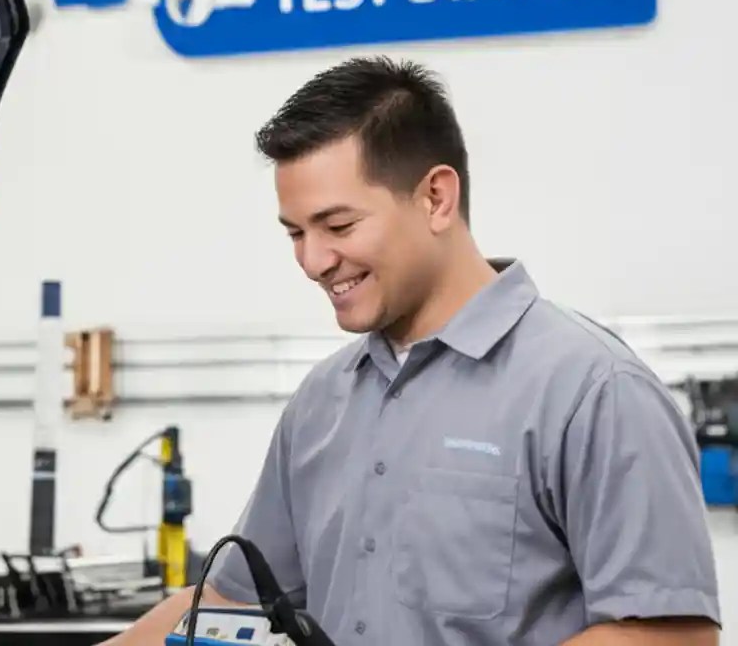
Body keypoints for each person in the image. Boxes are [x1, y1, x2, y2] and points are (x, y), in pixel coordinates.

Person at [99, 57, 722, 645]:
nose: (313, 261)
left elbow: (669, 635)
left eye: (338, 226)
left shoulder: (593, 390)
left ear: (436, 198)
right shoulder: (321, 402)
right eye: (295, 233)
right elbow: (233, 602)